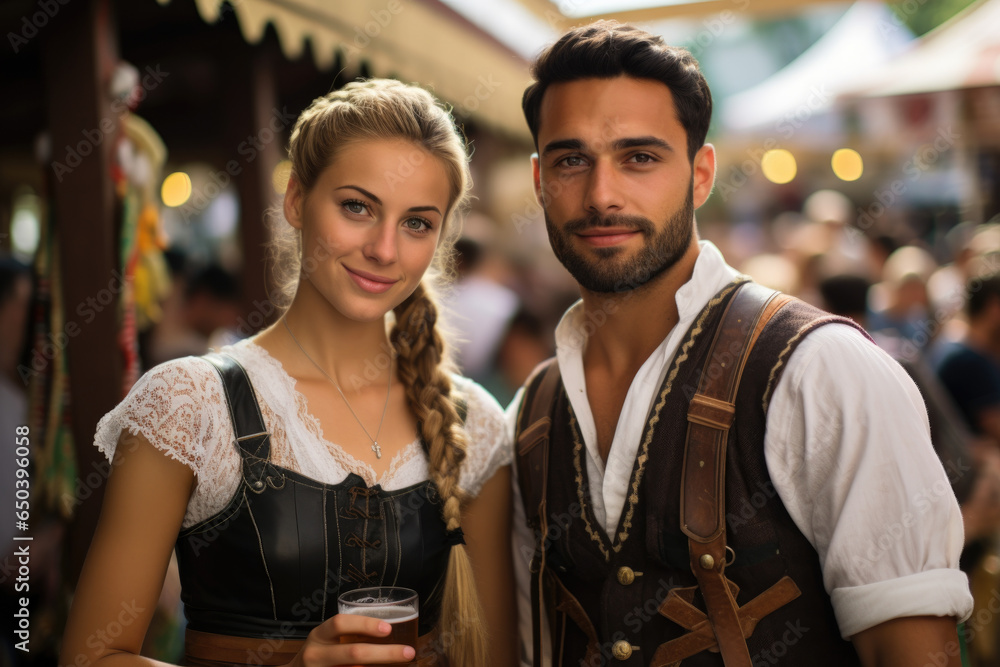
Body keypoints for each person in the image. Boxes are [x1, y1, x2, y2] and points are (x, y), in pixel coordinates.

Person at [508, 21, 972, 667]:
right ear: (540, 181)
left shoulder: (823, 371)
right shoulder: (533, 413)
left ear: (701, 176)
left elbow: (916, 653)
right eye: (570, 160)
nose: (601, 194)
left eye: (639, 157)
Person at [61, 79, 517, 667]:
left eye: (417, 223)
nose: (384, 248)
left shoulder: (472, 422)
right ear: (297, 200)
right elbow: (89, 658)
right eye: (357, 206)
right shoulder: (191, 404)